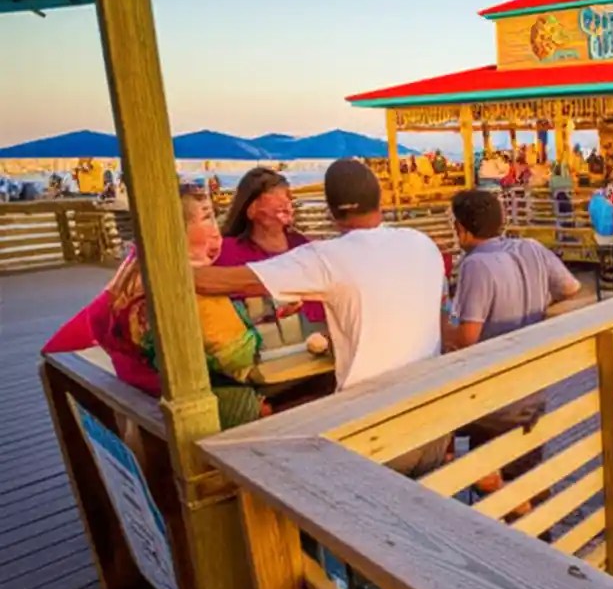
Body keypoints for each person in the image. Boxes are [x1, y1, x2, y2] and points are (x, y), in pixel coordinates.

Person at [193, 158, 446, 393]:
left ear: (331, 211)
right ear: (380, 200)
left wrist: (165, 270)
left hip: (367, 414)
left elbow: (215, 282)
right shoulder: (423, 243)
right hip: (431, 399)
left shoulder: (324, 257)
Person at [446, 190, 580, 501]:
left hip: (494, 402)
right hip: (532, 390)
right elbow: (571, 288)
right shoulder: (530, 248)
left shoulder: (474, 265)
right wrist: (536, 305)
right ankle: (535, 525)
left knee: (442, 439)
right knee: (527, 472)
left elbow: (467, 337)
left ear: (461, 229)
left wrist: (439, 325)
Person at [93, 186, 266, 428]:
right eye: (207, 217)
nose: (217, 231)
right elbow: (238, 357)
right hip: (202, 417)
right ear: (175, 231)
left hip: (145, 406)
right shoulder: (189, 285)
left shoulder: (131, 272)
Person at [216, 167, 325, 324]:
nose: (287, 205)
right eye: (278, 204)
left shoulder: (302, 247)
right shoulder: (227, 252)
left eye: (288, 199)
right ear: (251, 209)